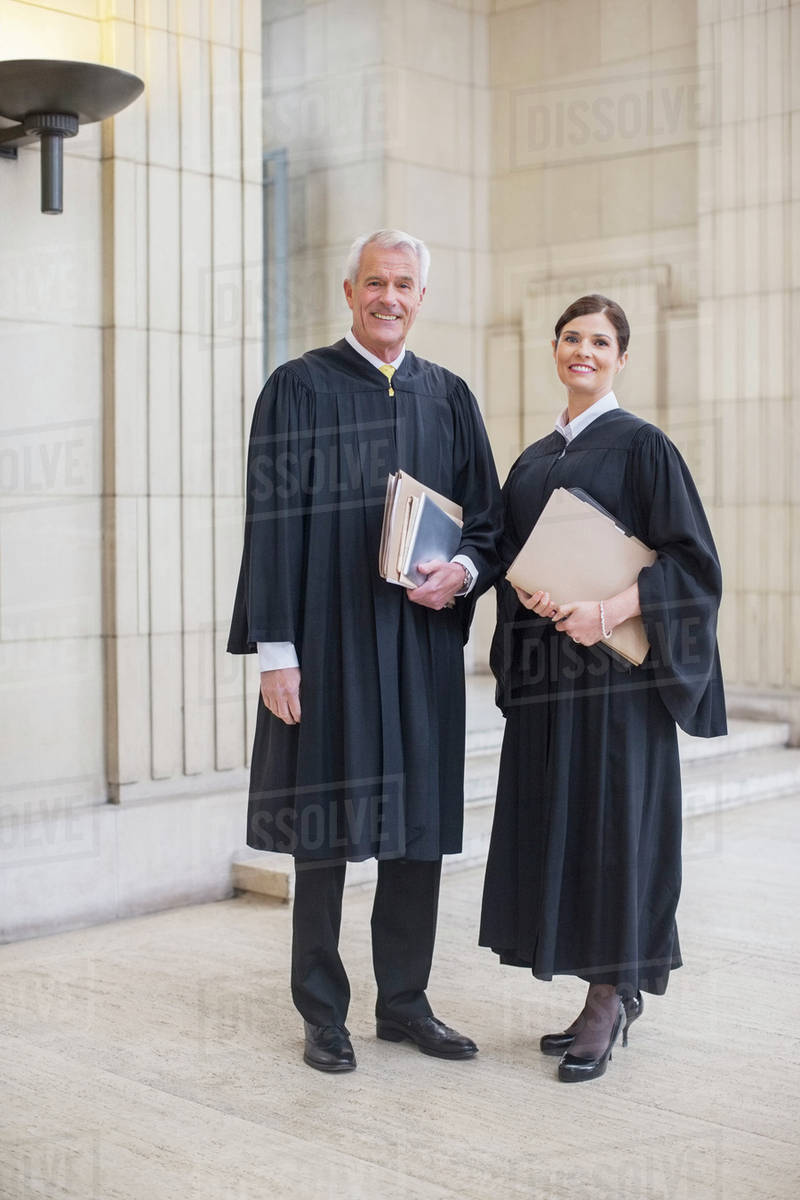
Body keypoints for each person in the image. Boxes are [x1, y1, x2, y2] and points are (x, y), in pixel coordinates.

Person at [228, 229, 502, 1073]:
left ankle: (405, 1002)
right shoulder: (299, 386)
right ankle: (321, 1008)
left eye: (406, 285)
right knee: (325, 827)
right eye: (376, 282)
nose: (391, 297)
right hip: (329, 636)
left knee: (415, 829)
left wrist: (458, 572)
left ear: (423, 298)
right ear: (349, 291)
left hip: (418, 640)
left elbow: (487, 519)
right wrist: (277, 649)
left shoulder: (449, 396)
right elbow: (269, 525)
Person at [479, 295, 726, 1083]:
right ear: (554, 350)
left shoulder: (642, 447)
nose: (582, 350)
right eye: (571, 338)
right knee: (569, 830)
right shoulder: (533, 457)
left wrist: (609, 610)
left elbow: (691, 565)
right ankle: (601, 984)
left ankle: (609, 998)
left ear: (622, 358)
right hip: (553, 682)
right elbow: (511, 559)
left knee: (615, 830)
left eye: (599, 341)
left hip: (618, 682)